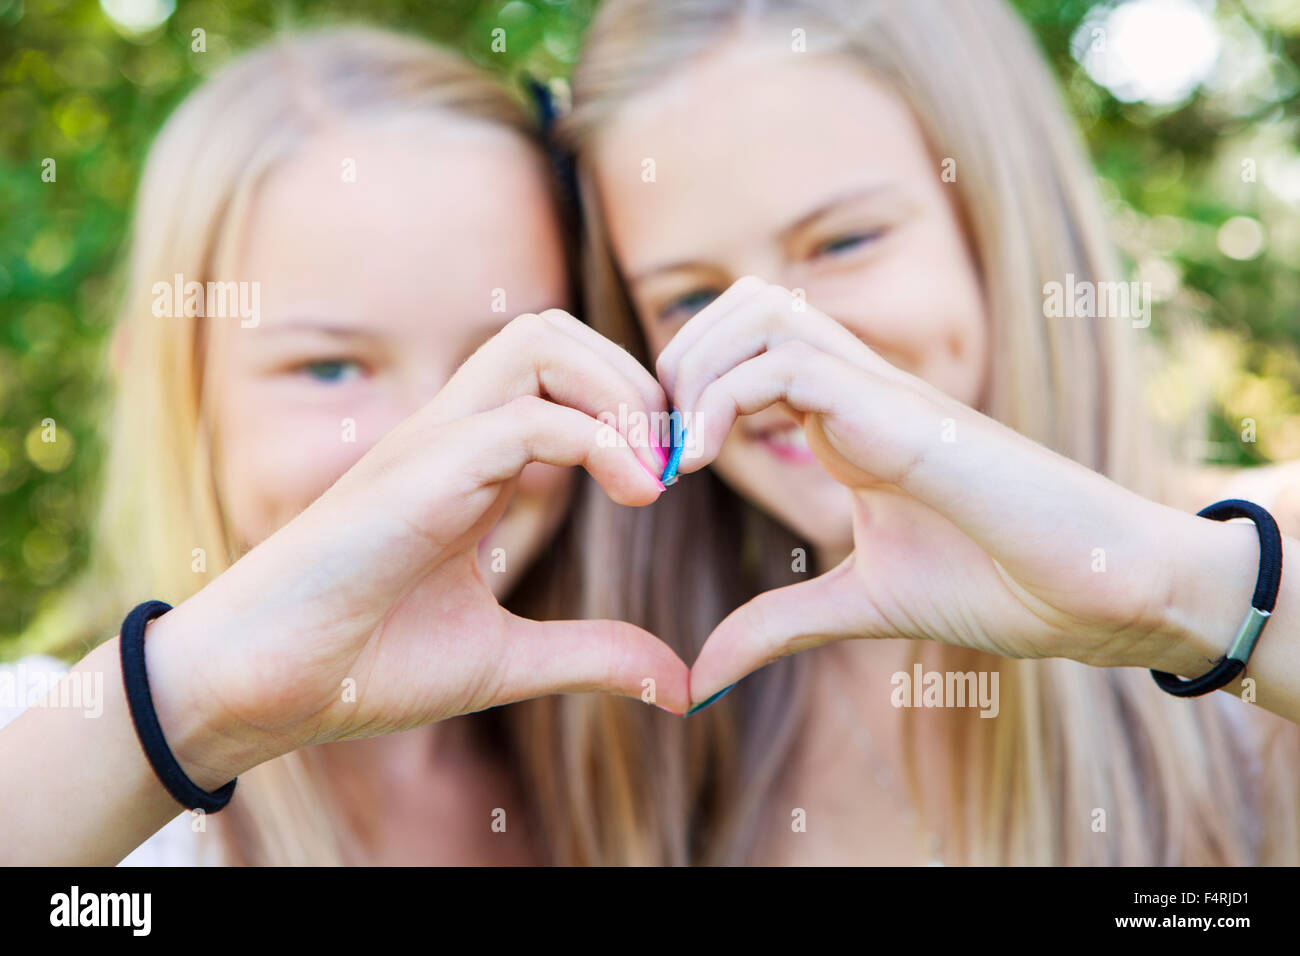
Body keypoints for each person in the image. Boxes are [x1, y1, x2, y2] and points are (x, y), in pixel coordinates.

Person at [558, 0, 1300, 864]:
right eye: (687, 297)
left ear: (999, 218)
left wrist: (1176, 596)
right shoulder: (630, 712)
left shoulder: (1265, 551)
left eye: (843, 241)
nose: (769, 351)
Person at [0, 25, 690, 866]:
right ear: (168, 381)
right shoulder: (46, 743)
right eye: (329, 368)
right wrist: (184, 711)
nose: (439, 445)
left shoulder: (678, 772)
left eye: (505, 359)